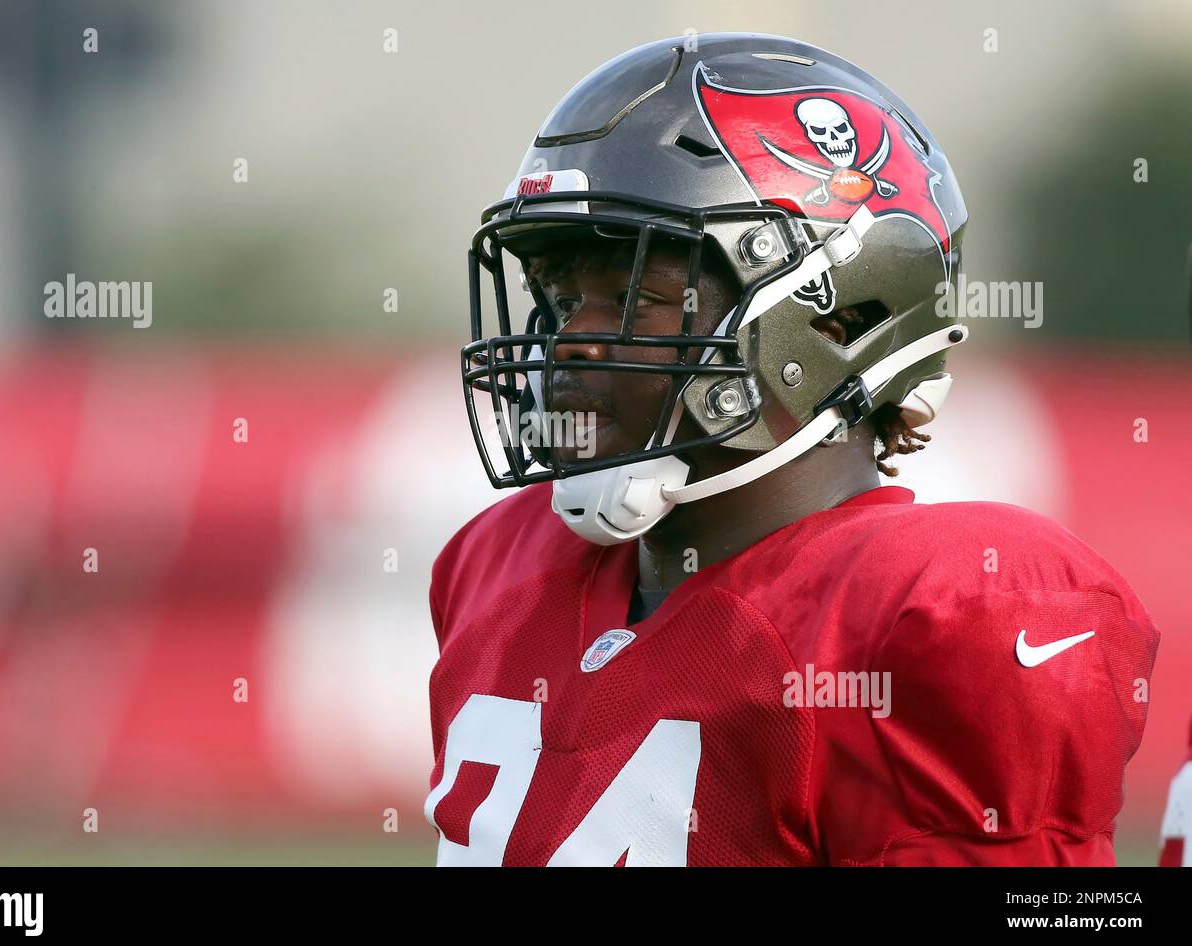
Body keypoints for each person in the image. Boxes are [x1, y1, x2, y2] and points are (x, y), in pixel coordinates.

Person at [424, 33, 1160, 866]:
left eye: (636, 294)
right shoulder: (499, 570)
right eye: (560, 296)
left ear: (836, 318)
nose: (570, 341)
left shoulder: (936, 616)